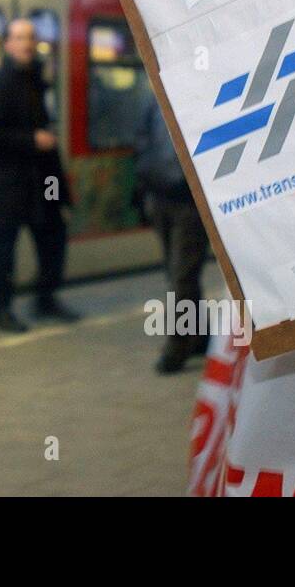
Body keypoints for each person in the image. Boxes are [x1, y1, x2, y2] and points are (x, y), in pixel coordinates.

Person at [0, 18, 78, 332]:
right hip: (7, 185)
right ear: (7, 44)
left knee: (54, 239)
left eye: (30, 37)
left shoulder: (39, 82)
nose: (26, 44)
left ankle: (45, 299)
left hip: (42, 183)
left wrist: (60, 186)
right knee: (3, 249)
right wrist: (31, 140)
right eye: (19, 38)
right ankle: (0, 310)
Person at [133, 82, 210, 373]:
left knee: (181, 277)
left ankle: (177, 348)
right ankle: (199, 336)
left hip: (189, 201)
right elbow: (142, 139)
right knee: (178, 273)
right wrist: (145, 184)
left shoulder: (198, 90)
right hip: (160, 196)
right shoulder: (155, 93)